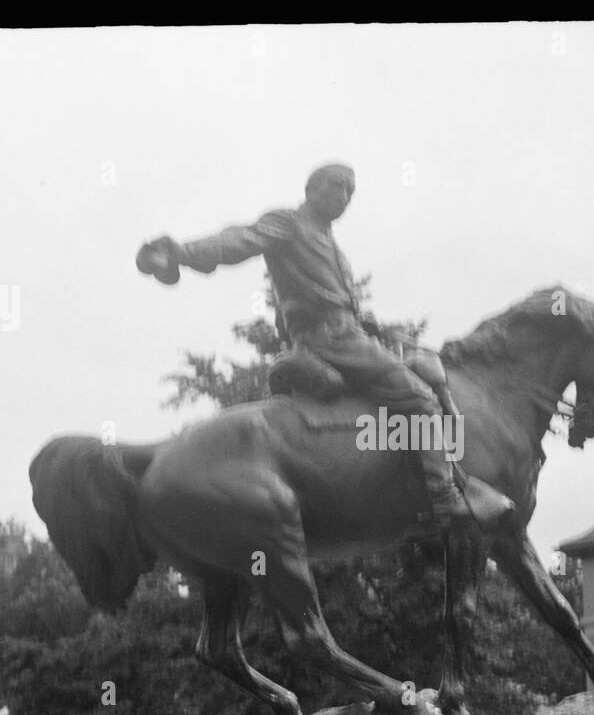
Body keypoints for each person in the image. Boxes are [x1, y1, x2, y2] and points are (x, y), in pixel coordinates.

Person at [137, 162, 512, 531]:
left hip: (349, 334)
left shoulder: (329, 240)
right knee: (421, 399)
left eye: (350, 191)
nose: (344, 196)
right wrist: (180, 253)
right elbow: (238, 240)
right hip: (330, 340)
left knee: (424, 369)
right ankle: (443, 496)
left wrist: (372, 328)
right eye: (336, 186)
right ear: (311, 189)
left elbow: (337, 299)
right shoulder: (288, 223)